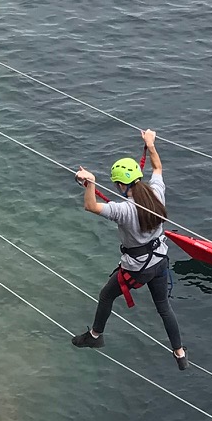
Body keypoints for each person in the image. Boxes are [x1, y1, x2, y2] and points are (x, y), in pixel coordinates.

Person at [73, 129, 185, 369]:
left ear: (121, 185)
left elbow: (91, 206)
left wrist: (90, 182)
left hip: (137, 269)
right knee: (164, 307)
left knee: (106, 295)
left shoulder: (123, 210)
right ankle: (179, 353)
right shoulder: (157, 192)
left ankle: (94, 336)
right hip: (160, 261)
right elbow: (157, 168)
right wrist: (150, 144)